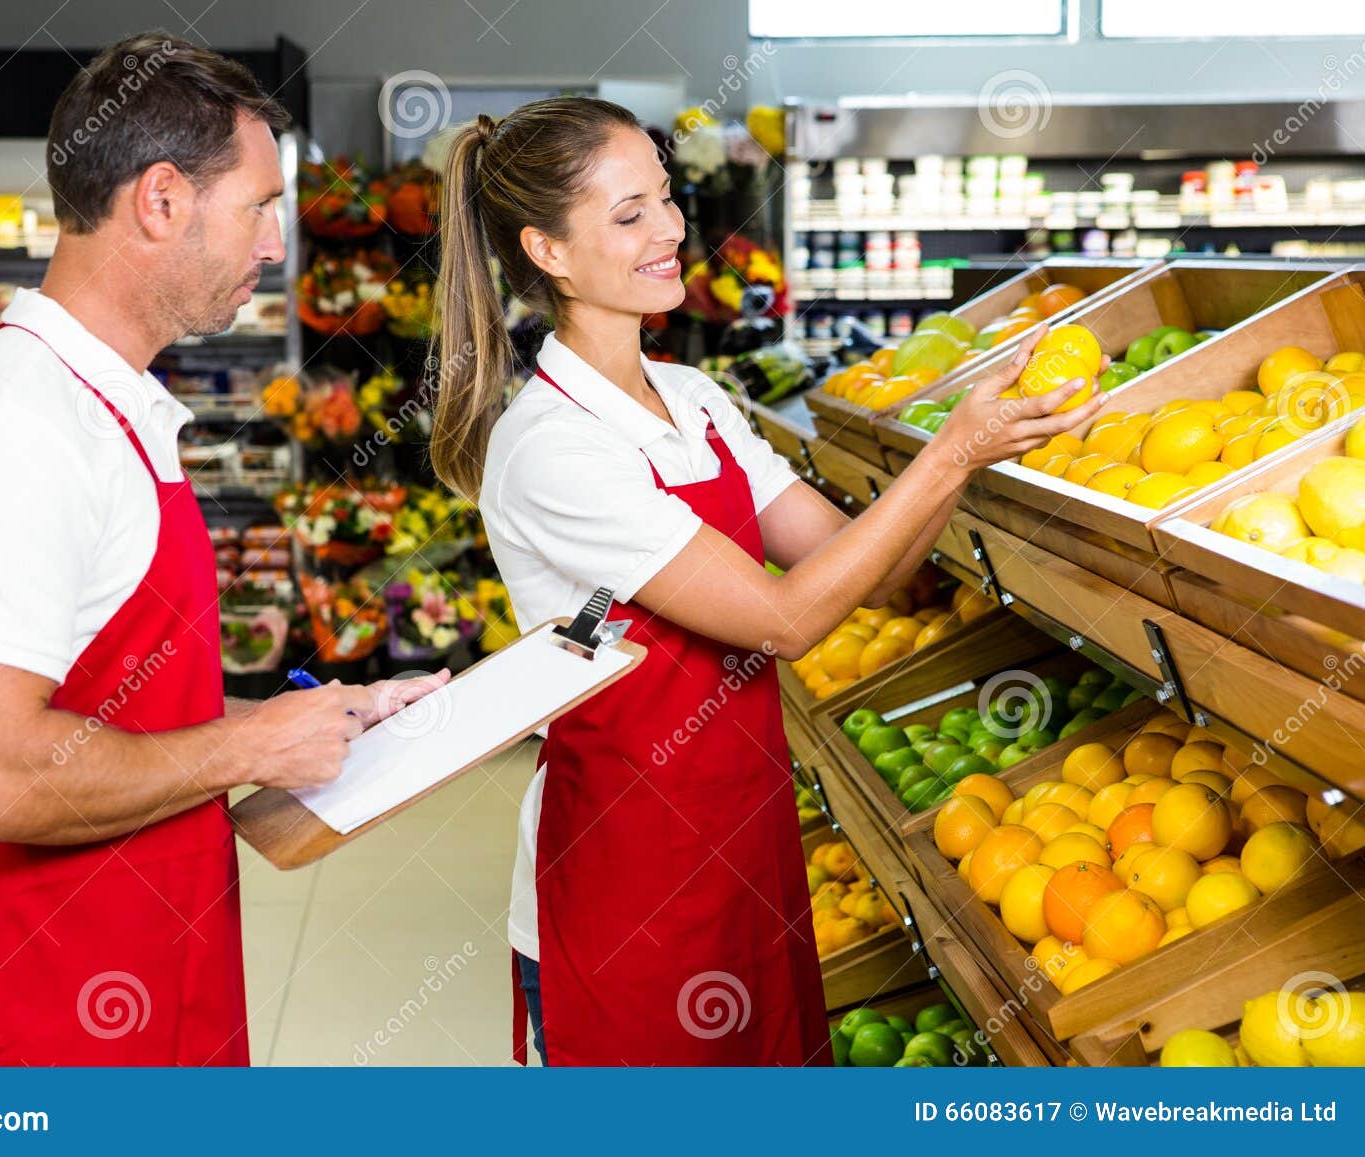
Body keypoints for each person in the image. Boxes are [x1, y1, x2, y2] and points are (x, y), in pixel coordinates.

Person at [430, 97, 1103, 1066]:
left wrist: (987, 440)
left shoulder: (696, 400)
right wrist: (954, 451)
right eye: (630, 215)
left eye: (665, 199)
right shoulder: (551, 445)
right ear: (548, 250)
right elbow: (785, 617)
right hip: (624, 879)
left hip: (747, 846)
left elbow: (865, 566)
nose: (671, 231)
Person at [0, 34, 445, 1067]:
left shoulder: (110, 406)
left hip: (151, 954)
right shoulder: (14, 425)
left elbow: (113, 709)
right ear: (163, 200)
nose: (275, 246)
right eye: (260, 206)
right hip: (35, 1000)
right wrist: (249, 749)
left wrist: (298, 722)